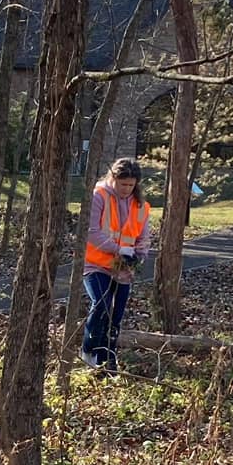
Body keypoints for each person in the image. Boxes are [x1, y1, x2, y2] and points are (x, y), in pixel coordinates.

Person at [81, 157, 151, 371]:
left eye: (131, 185)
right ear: (113, 179)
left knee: (116, 315)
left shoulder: (141, 206)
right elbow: (91, 231)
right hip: (96, 264)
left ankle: (108, 358)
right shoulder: (99, 196)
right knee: (101, 304)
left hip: (124, 269)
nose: (127, 189)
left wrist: (139, 255)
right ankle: (89, 349)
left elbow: (144, 237)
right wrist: (117, 248)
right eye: (123, 184)